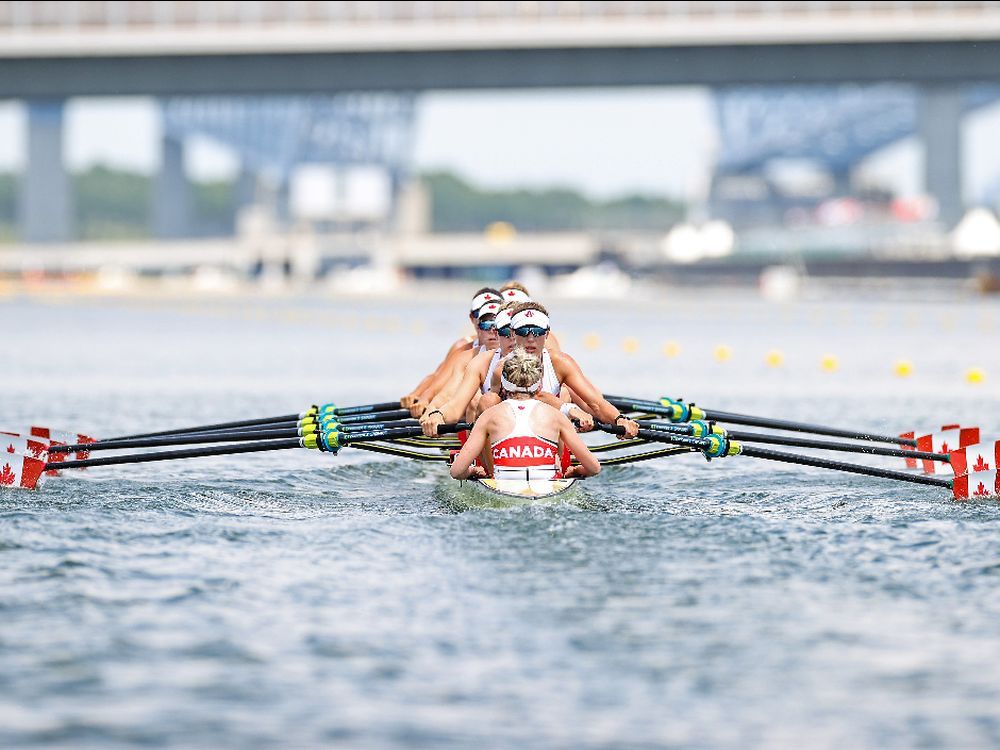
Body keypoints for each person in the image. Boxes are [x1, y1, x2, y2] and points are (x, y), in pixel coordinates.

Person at [422, 300, 637, 438]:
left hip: (545, 434)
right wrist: (438, 416)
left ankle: (559, 465)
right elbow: (456, 405)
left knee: (563, 395)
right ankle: (482, 465)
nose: (529, 339)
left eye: (536, 331)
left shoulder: (560, 362)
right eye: (521, 331)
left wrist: (619, 420)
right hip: (498, 438)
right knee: (486, 401)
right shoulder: (483, 363)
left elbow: (595, 403)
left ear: (546, 333)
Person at [450, 350, 601, 481]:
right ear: (539, 385)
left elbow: (456, 471)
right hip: (548, 489)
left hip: (503, 487)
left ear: (503, 383)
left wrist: (472, 471)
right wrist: (576, 471)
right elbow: (594, 468)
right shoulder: (557, 416)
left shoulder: (488, 416)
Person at [401, 287, 502, 414]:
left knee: (481, 399)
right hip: (468, 410)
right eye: (485, 322)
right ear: (473, 318)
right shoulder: (464, 349)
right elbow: (440, 380)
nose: (491, 328)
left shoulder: (518, 353)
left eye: (496, 322)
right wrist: (423, 400)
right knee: (474, 399)